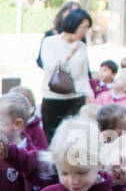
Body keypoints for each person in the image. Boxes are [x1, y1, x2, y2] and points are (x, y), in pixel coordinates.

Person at [38, 7, 94, 138]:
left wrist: (89, 92)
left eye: (87, 28)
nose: (85, 31)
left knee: (73, 137)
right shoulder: (50, 41)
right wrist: (69, 54)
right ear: (73, 24)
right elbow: (50, 66)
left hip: (76, 97)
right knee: (52, 136)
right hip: (53, 96)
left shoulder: (82, 46)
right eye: (83, 27)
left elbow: (83, 74)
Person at [35, 1, 82, 68]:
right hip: (58, 75)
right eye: (71, 12)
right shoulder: (50, 35)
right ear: (63, 13)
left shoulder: (80, 36)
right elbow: (41, 61)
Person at [13, 85, 49, 149]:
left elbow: (42, 153)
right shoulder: (10, 127)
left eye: (19, 104)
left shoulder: (36, 130)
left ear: (31, 104)